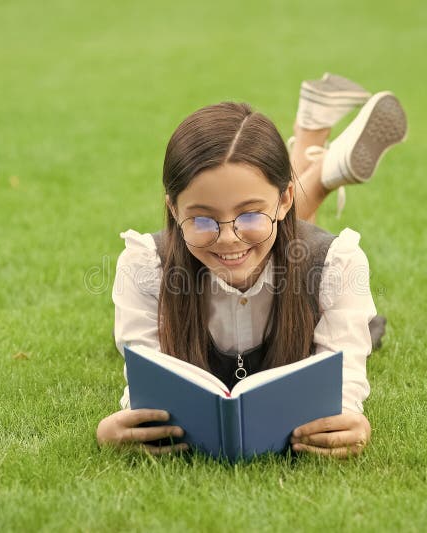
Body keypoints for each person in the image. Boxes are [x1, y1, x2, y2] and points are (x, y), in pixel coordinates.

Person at [96, 73, 407, 458]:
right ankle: (317, 160)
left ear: (286, 197)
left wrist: (348, 418)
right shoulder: (147, 265)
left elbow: (342, 377)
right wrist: (123, 422)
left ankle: (313, 154)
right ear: (173, 209)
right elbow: (145, 374)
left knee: (280, 247)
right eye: (203, 220)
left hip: (298, 278)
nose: (227, 238)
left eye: (249, 214)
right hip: (272, 235)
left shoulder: (334, 265)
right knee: (261, 238)